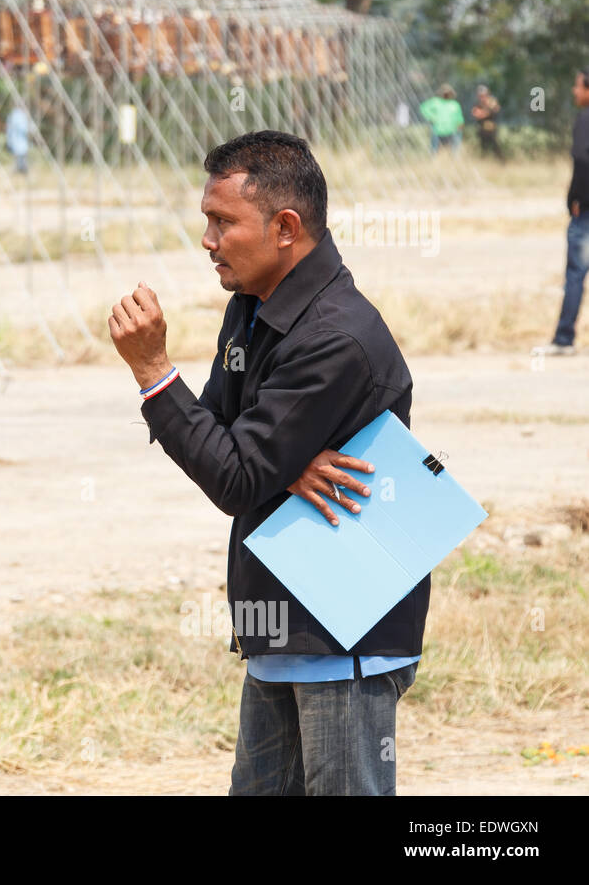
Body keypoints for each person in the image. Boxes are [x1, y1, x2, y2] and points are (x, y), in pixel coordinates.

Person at [108, 131, 420, 795]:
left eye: (223, 222)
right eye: (206, 221)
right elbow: (226, 435)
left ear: (285, 227)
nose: (208, 240)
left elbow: (234, 474)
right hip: (283, 621)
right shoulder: (252, 309)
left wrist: (155, 373)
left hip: (343, 631)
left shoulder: (335, 336)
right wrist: (280, 461)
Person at [534, 67, 589, 357]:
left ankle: (564, 338)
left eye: (577, 86)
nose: (574, 91)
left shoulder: (585, 118)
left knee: (575, 274)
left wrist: (576, 198)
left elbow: (581, 157)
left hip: (586, 213)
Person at [419, 85, 463, 155]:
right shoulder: (435, 101)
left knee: (455, 150)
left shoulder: (455, 104)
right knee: (434, 151)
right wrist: (431, 117)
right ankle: (434, 162)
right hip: (438, 131)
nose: (446, 94)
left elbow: (459, 118)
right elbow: (423, 108)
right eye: (445, 93)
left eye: (448, 93)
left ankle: (454, 160)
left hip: (452, 131)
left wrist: (460, 126)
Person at [471, 85, 504, 161]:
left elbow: (497, 109)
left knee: (495, 147)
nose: (482, 98)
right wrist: (488, 110)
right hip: (482, 130)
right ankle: (484, 162)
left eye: (484, 95)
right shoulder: (477, 104)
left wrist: (486, 110)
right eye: (481, 96)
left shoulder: (491, 102)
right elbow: (477, 114)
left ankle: (501, 163)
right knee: (483, 148)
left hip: (492, 130)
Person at [6, 105, 30, 174]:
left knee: (20, 160)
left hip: (17, 144)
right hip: (20, 144)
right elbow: (25, 129)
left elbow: (9, 130)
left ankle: (20, 171)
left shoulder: (13, 115)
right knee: (21, 160)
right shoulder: (21, 116)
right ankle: (21, 172)